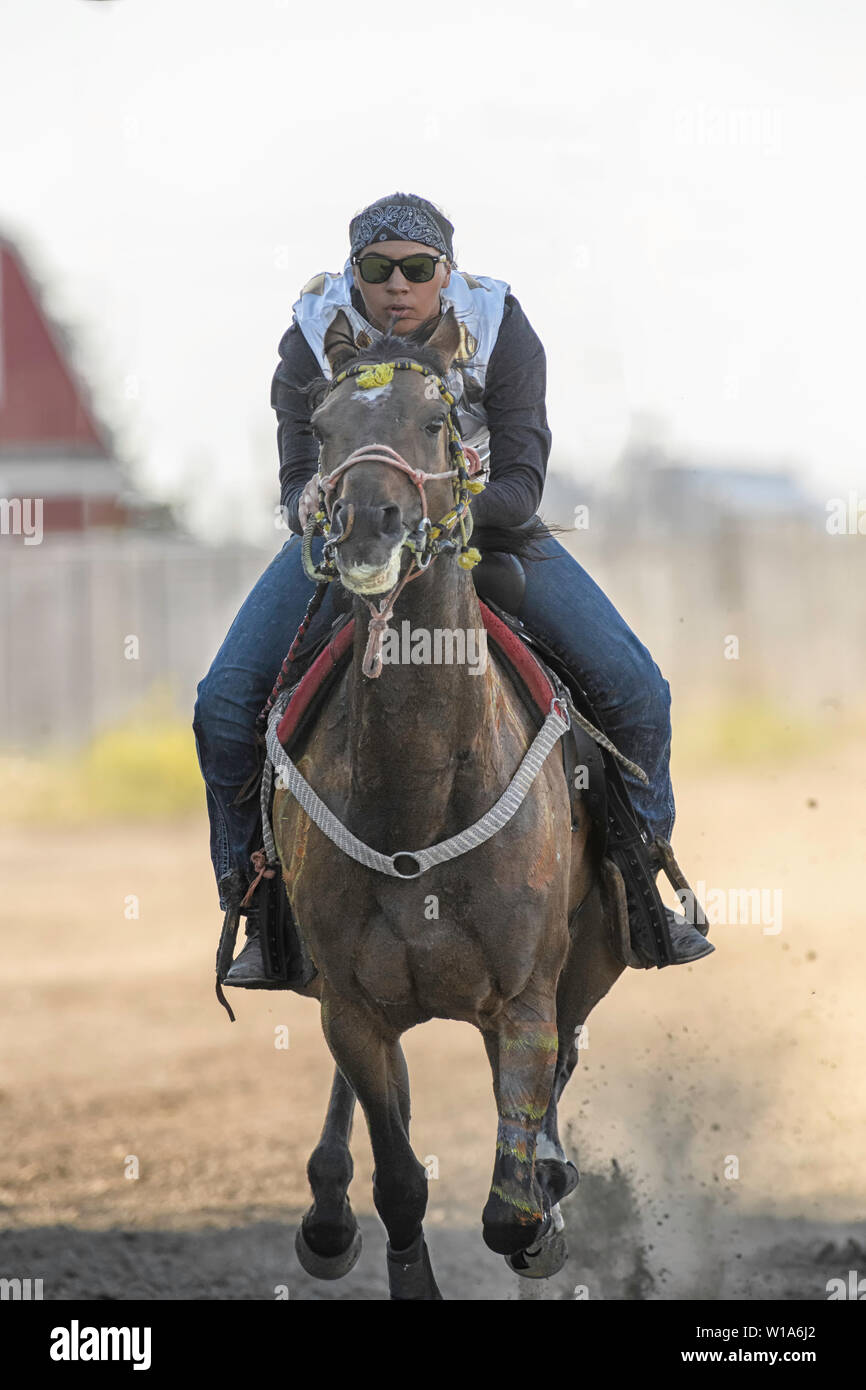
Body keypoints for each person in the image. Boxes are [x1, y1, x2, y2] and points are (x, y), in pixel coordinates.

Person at [193, 192, 713, 988]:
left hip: (486, 533)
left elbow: (524, 481)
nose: (398, 286)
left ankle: (641, 891)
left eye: (417, 269)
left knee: (639, 691)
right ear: (354, 276)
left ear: (446, 272)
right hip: (351, 540)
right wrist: (312, 505)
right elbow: (298, 471)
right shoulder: (309, 331)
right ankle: (257, 909)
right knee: (224, 706)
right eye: (378, 269)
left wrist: (442, 513)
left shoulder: (502, 324)